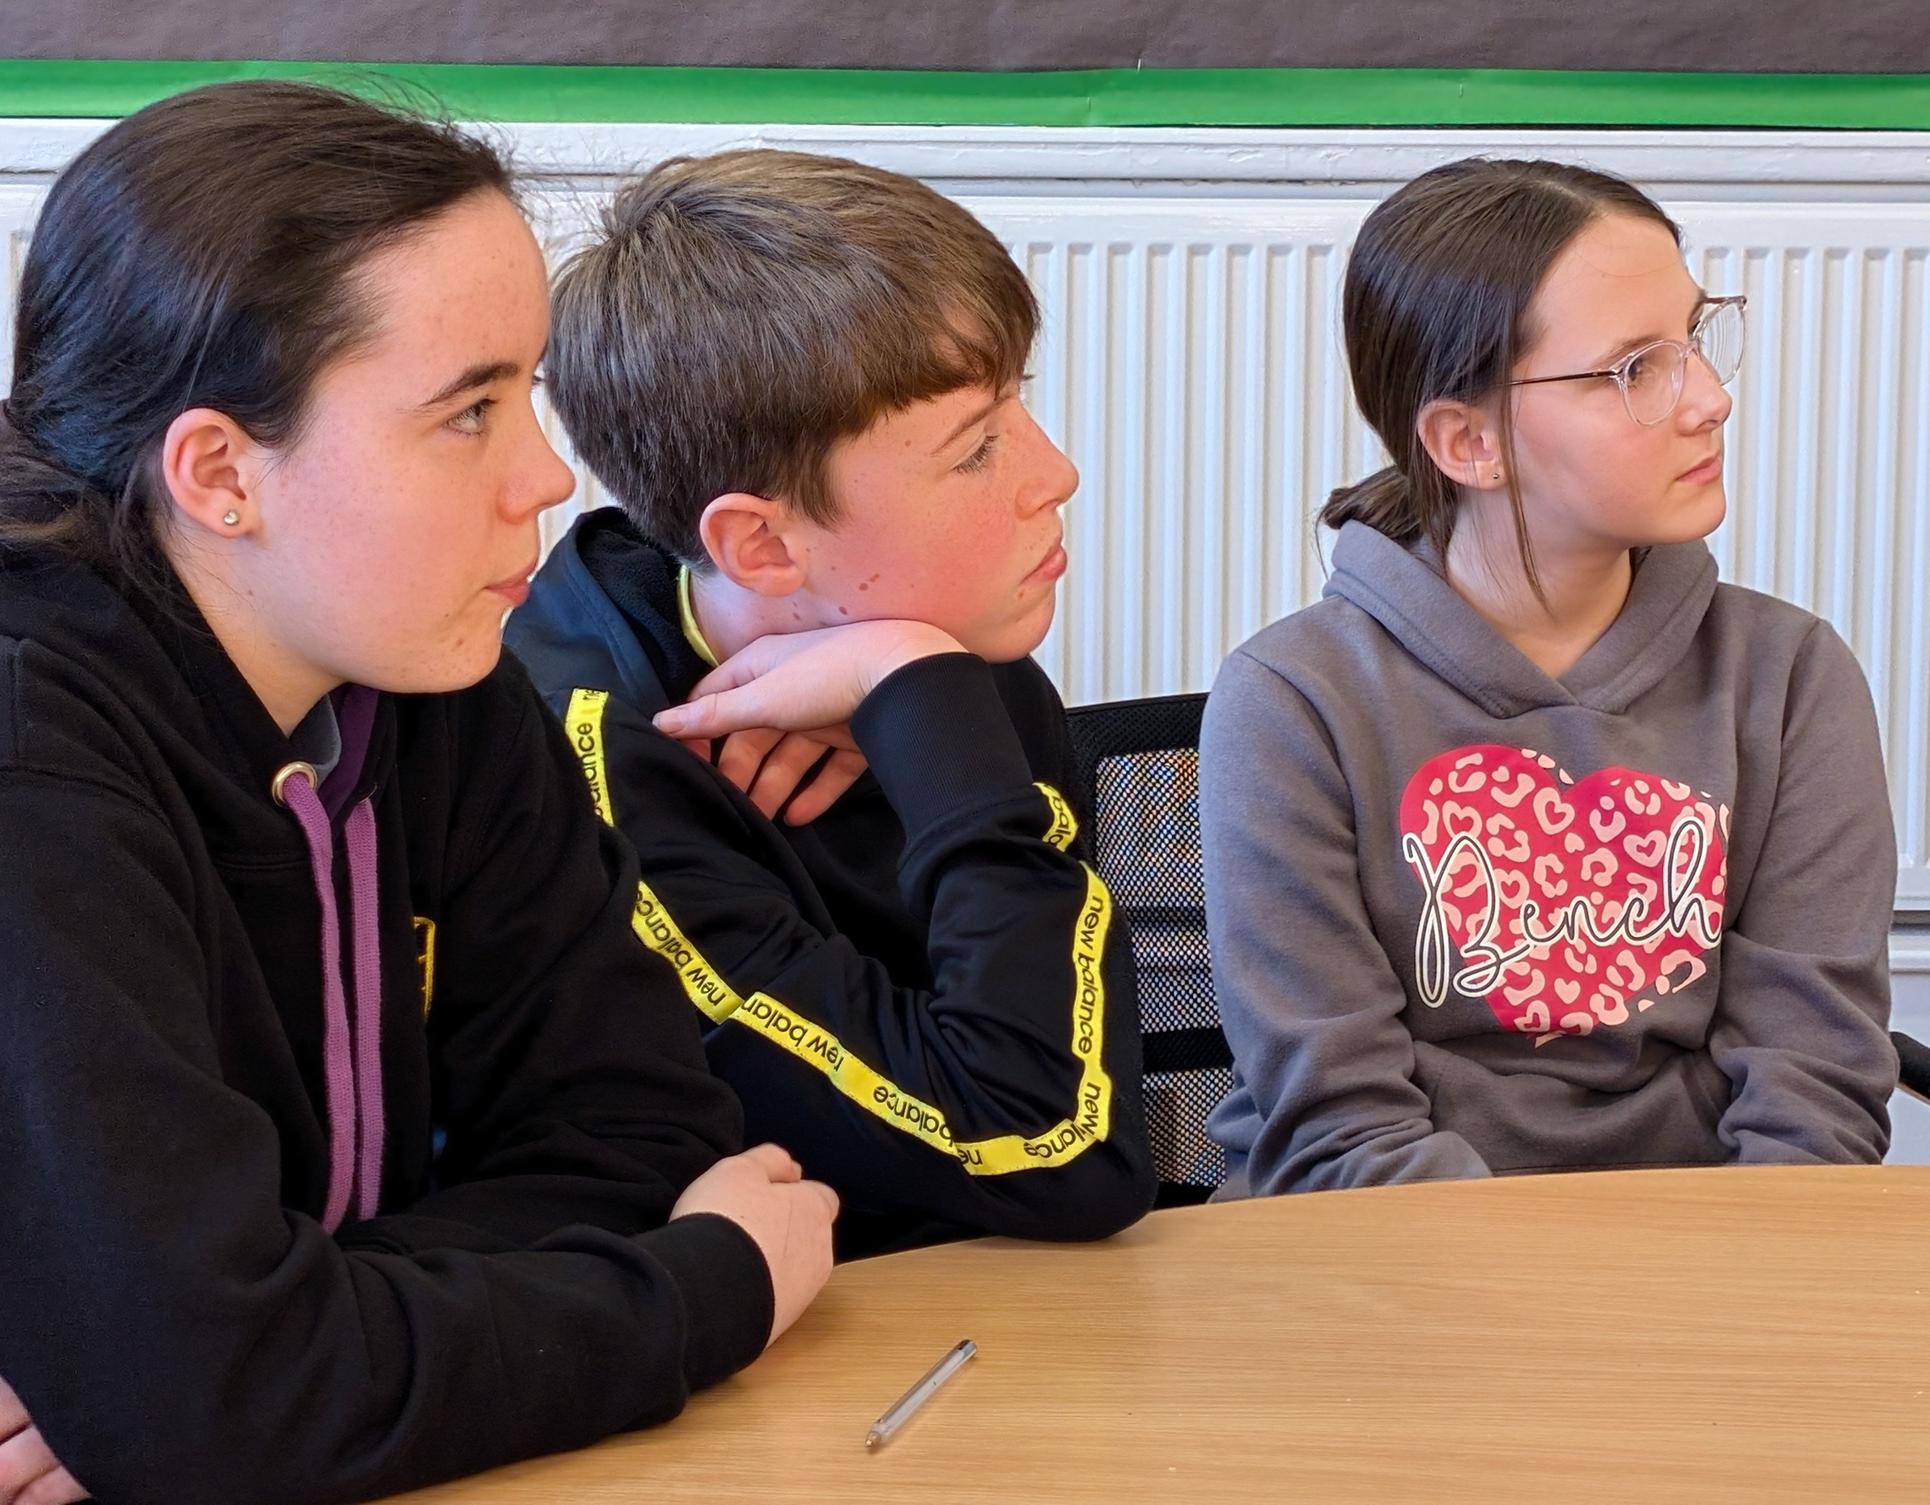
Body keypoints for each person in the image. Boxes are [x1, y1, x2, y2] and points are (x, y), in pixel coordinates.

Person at [0, 81, 834, 1505]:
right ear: (219, 473)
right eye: (468, 413)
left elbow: (639, 1138)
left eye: (529, 392)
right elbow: (224, 1397)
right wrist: (703, 1292)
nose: (547, 475)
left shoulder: (423, 673)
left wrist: (247, 1342)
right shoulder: (33, 752)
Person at [1201, 158, 1899, 1195]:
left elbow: (1814, 1087)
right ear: (1468, 441)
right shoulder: (1291, 701)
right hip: (1382, 1264)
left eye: (1696, 338)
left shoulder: (1789, 675)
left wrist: (1732, 1300)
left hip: (1703, 1267)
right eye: (1634, 369)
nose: (1709, 398)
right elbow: (1341, 1123)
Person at [505, 149, 1155, 1256]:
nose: (1054, 474)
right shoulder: (590, 781)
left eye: (1018, 409)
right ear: (759, 544)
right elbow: (1050, 1145)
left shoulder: (942, 651)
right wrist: (927, 703)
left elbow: (1089, 1123)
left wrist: (911, 696)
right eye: (977, 448)